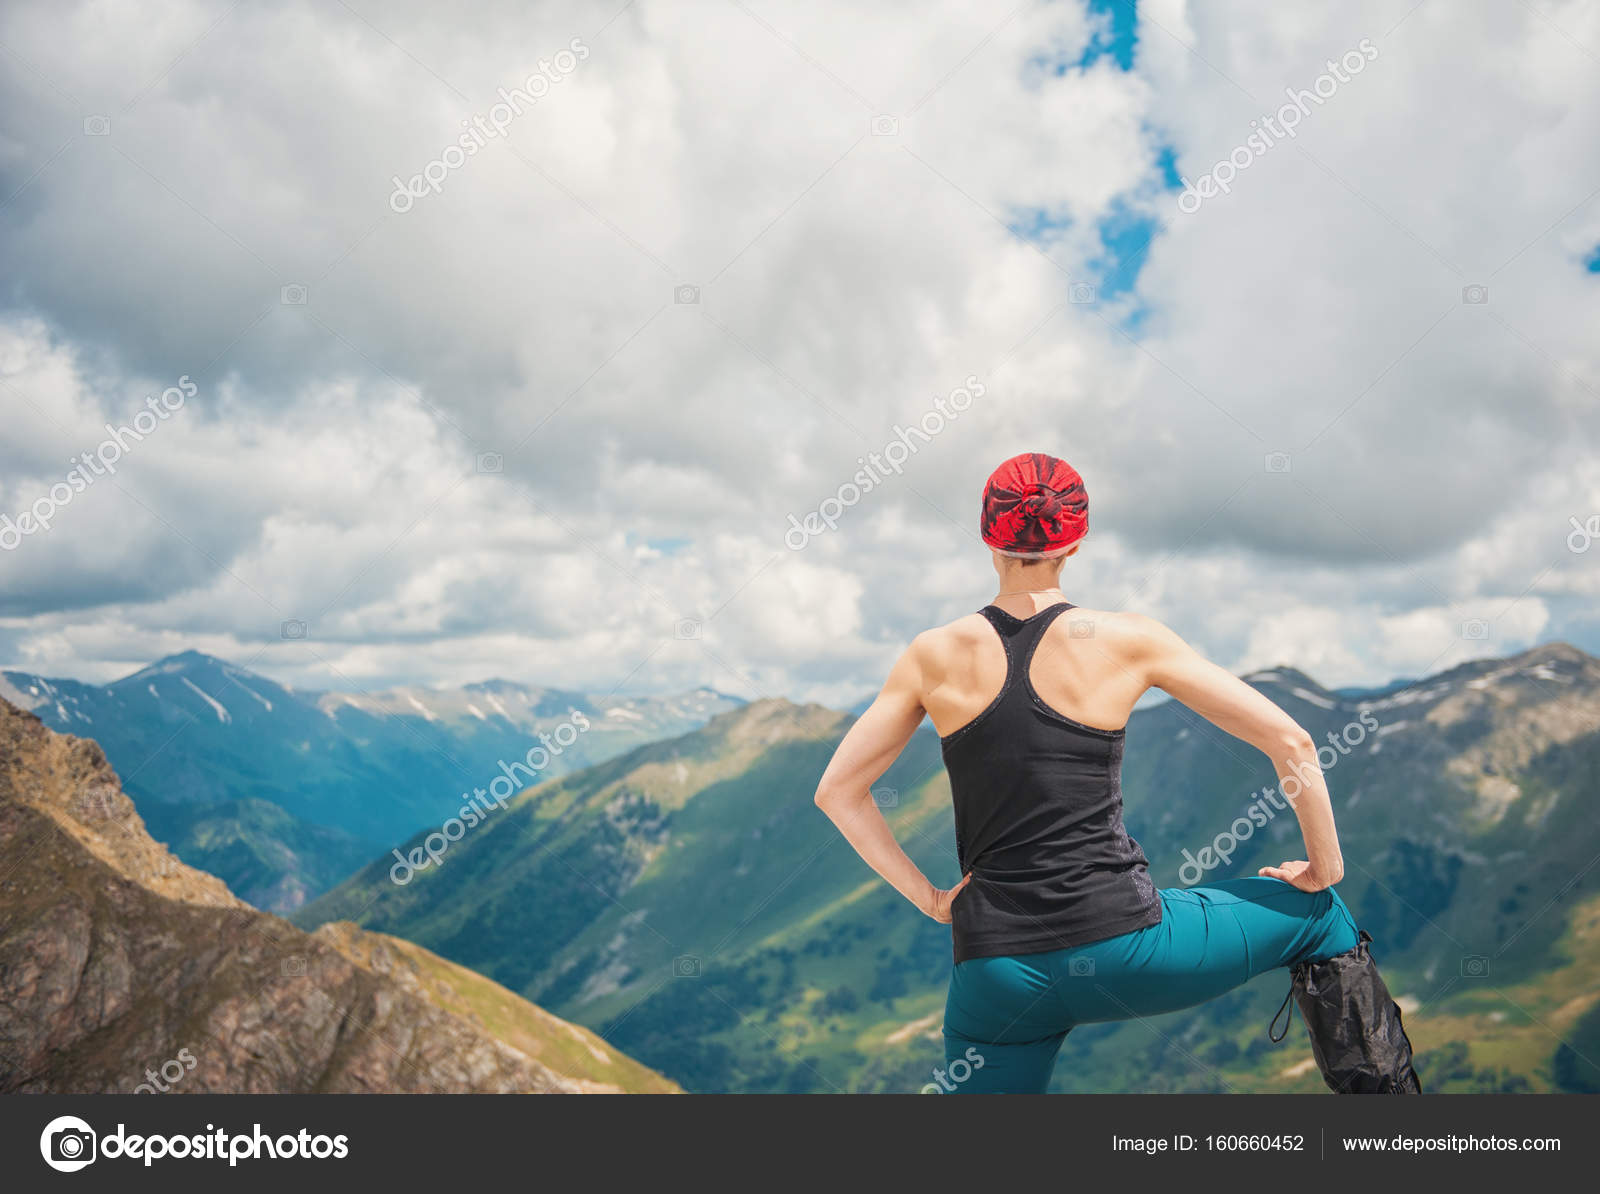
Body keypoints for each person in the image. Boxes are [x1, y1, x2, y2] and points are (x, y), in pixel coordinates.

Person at [813, 452, 1419, 1094]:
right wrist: (1323, 870)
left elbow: (838, 792)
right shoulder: (1127, 639)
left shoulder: (933, 654)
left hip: (994, 973)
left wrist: (935, 902)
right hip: (1126, 951)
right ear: (1074, 541)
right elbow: (1291, 742)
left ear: (989, 536)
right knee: (1321, 915)